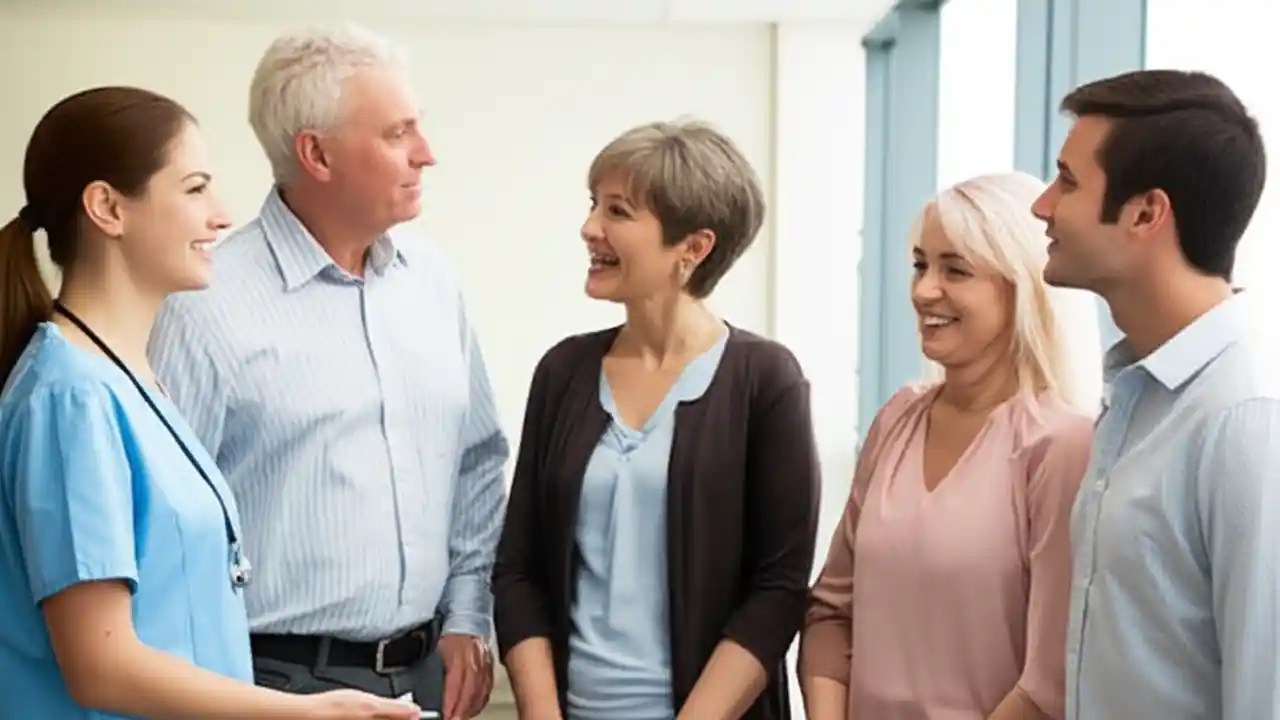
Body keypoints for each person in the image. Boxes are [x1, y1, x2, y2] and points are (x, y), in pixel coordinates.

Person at [0, 87, 420, 719]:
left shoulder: (129, 378)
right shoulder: (71, 398)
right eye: (195, 189)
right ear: (108, 207)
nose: (221, 217)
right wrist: (308, 713)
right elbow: (100, 667)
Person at [148, 24, 507, 720]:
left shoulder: (435, 284)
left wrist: (468, 616)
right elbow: (165, 531)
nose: (426, 154)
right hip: (270, 684)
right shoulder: (203, 304)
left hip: (430, 678)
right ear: (316, 153)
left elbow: (479, 464)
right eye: (398, 134)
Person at [491, 119, 821, 720]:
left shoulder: (765, 381)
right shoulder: (563, 372)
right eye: (594, 205)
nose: (590, 228)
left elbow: (778, 589)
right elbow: (519, 570)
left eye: (617, 211)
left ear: (693, 248)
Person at [800, 171, 1102, 720]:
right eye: (921, 264)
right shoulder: (897, 419)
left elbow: (1050, 681)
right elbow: (830, 613)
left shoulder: (1062, 445)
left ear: (1024, 287)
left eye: (955, 270)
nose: (922, 290)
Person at [1033, 69, 1278, 719]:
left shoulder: (1244, 419)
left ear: (1146, 212)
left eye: (1069, 181)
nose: (1042, 205)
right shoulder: (1134, 399)